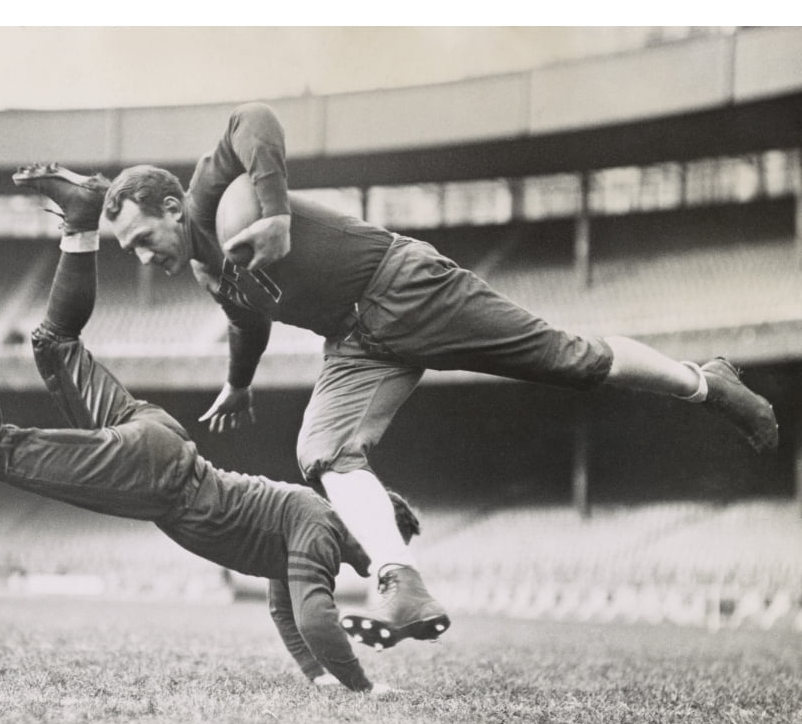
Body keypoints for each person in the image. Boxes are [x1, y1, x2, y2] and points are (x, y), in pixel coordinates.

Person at [88, 102, 781, 650]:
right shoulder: (210, 270)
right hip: (356, 342)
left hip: (404, 283)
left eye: (143, 239)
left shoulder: (214, 195)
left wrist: (272, 215)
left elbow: (254, 118)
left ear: (173, 209)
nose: (144, 257)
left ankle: (705, 382)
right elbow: (249, 322)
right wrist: (240, 382)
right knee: (322, 452)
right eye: (130, 250)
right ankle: (399, 581)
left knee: (573, 361)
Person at [0, 168, 427, 694]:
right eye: (383, 554)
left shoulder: (309, 524)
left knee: (53, 344)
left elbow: (288, 612)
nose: (377, 566)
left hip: (161, 441)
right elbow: (316, 616)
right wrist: (359, 686)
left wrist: (319, 676)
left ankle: (80, 218)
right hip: (161, 478)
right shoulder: (322, 531)